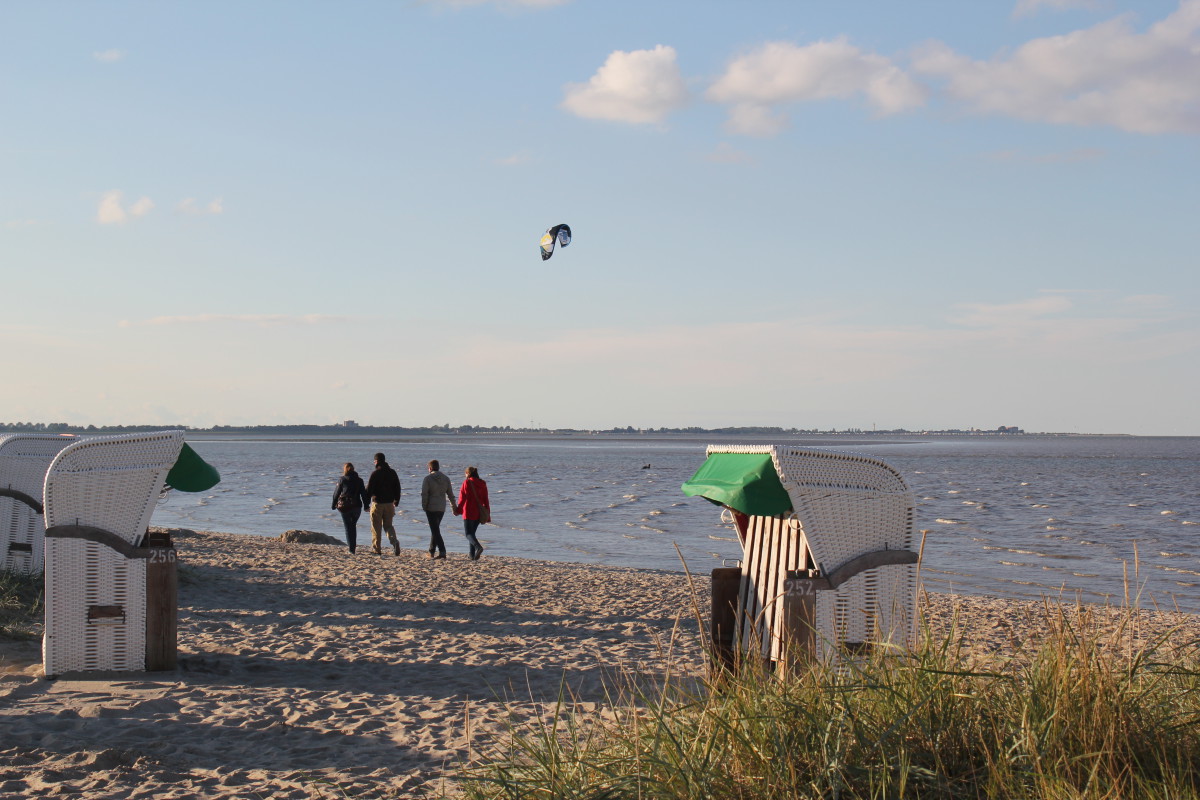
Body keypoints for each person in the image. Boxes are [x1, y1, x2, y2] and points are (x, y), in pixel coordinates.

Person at [365, 452, 402, 556]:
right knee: (388, 526)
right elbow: (397, 487)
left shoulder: (375, 473)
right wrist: (397, 500)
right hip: (389, 504)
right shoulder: (392, 472)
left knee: (376, 527)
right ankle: (394, 542)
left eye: (374, 461)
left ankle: (377, 549)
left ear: (376, 461)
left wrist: (366, 504)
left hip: (377, 503)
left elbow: (369, 490)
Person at [420, 459, 457, 559]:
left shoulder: (428, 479)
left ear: (430, 468)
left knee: (435, 530)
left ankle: (442, 551)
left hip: (431, 507)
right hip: (441, 507)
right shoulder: (446, 478)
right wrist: (454, 507)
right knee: (435, 529)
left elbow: (424, 494)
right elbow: (450, 495)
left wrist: (424, 505)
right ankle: (431, 551)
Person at [331, 462, 369, 554]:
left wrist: (333, 504)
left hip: (345, 506)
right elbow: (364, 494)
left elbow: (336, 493)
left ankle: (351, 549)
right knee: (353, 526)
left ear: (345, 469)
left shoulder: (342, 479)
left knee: (348, 527)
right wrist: (366, 506)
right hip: (357, 506)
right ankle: (353, 547)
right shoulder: (359, 480)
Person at [454, 465, 490, 561]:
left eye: (465, 473)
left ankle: (478, 547)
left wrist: (458, 510)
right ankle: (472, 555)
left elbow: (462, 498)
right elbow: (486, 500)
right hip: (478, 512)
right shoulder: (483, 483)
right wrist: (488, 514)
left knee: (468, 534)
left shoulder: (467, 482)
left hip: (468, 511)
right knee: (472, 534)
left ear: (467, 473)